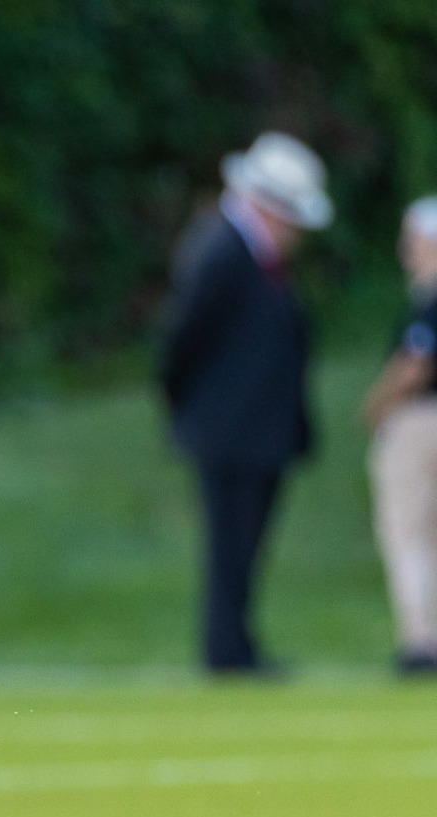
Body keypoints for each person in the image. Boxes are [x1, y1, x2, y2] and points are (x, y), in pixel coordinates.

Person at [159, 132, 333, 675]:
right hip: (227, 429)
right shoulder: (220, 248)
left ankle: (237, 645)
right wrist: (195, 411)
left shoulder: (254, 254)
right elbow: (183, 340)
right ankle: (227, 652)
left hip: (259, 430)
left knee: (247, 544)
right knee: (231, 543)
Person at [361, 197, 437, 675]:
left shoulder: (430, 300)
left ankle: (420, 639)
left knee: (409, 531)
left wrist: (375, 405)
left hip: (421, 422)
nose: (405, 251)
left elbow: (415, 363)